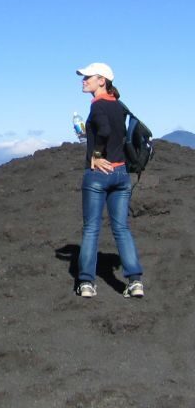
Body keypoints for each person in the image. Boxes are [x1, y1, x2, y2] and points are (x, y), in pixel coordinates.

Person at [75, 62, 144, 299]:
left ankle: (86, 283)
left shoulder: (97, 105)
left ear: (101, 80)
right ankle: (135, 281)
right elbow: (115, 134)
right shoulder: (119, 107)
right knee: (121, 228)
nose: (84, 80)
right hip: (121, 173)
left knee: (92, 229)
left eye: (88, 77)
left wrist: (95, 155)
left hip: (98, 175)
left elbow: (103, 131)